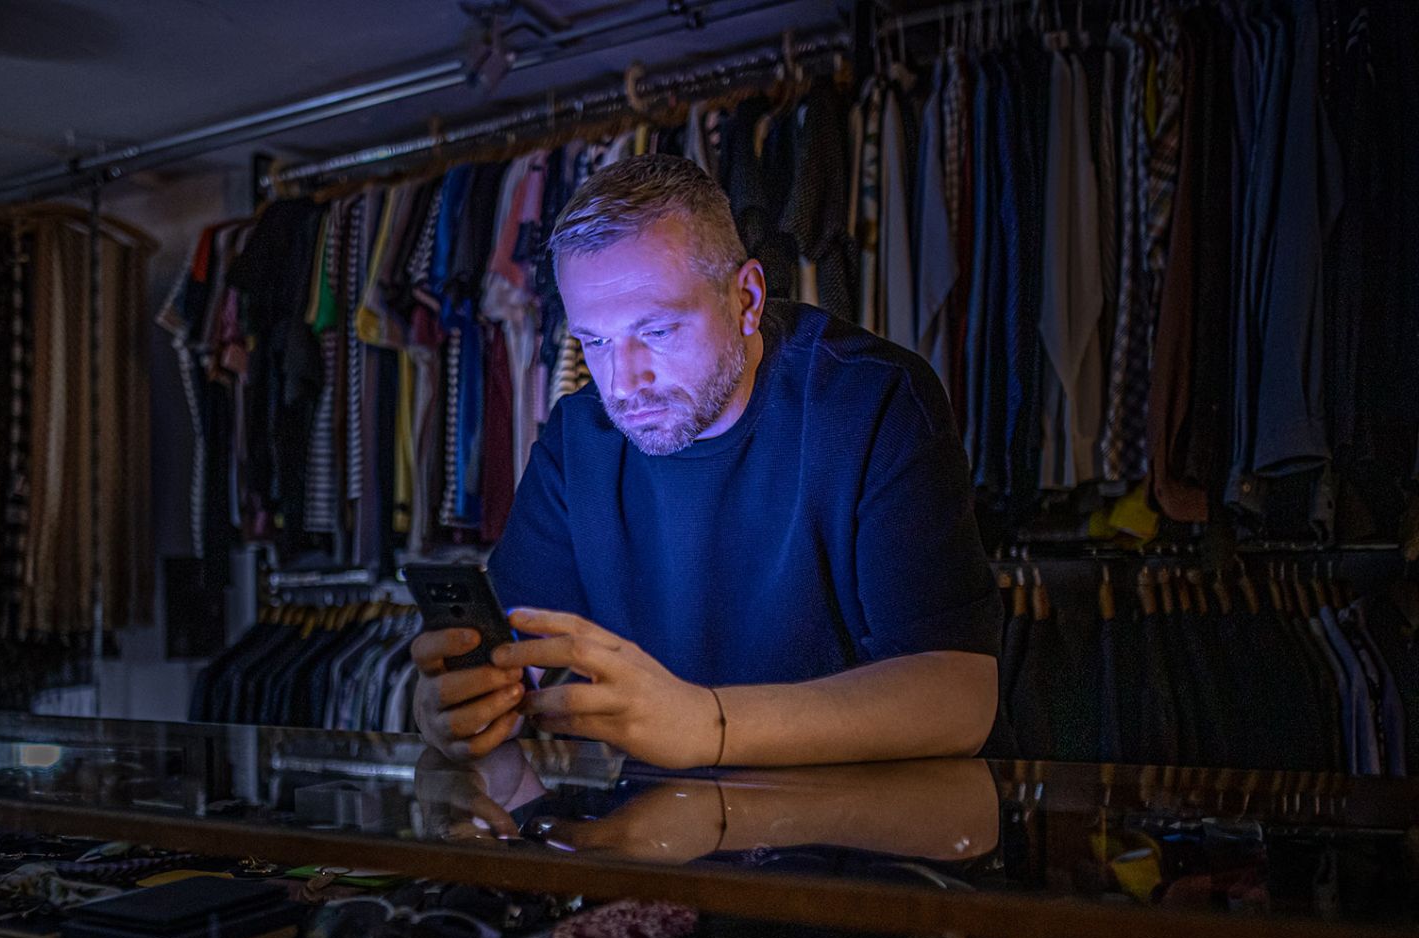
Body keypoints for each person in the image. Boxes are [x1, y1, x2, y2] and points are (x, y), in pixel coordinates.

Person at [412, 154, 1000, 768]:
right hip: (661, 840)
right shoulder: (576, 440)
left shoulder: (872, 401)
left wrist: (710, 724)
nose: (623, 383)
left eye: (658, 332)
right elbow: (512, 655)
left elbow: (959, 697)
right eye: (595, 342)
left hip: (860, 841)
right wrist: (458, 707)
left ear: (745, 298)